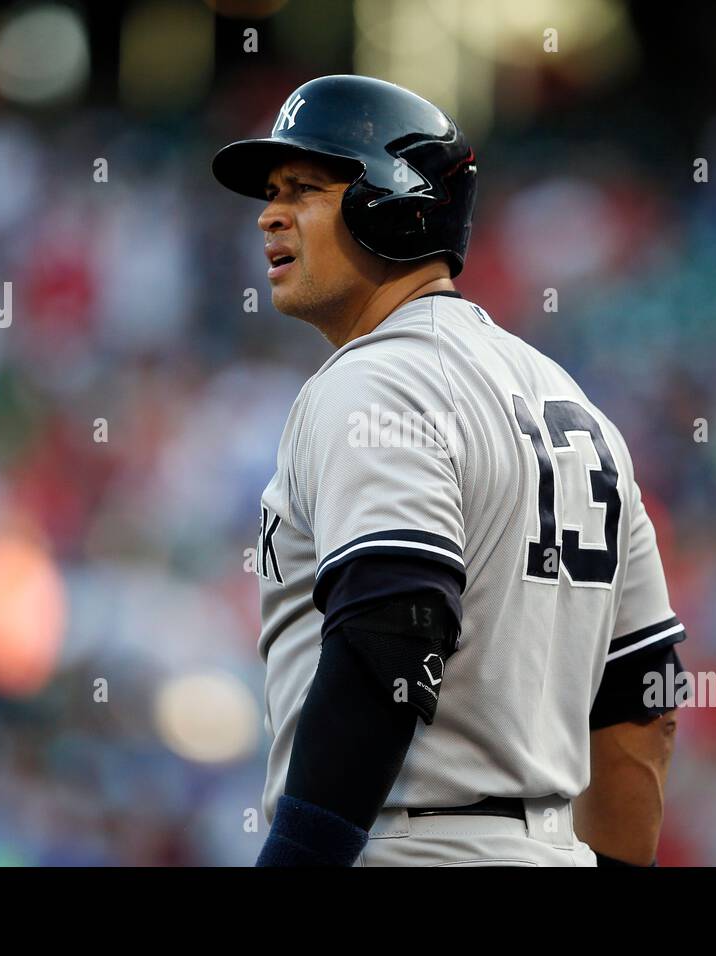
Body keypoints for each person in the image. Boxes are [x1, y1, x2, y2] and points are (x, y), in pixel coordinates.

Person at [212, 75, 687, 867]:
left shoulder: (377, 380)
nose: (269, 214)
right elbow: (647, 696)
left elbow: (390, 633)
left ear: (391, 203)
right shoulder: (575, 405)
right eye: (270, 192)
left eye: (305, 188)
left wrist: (300, 858)